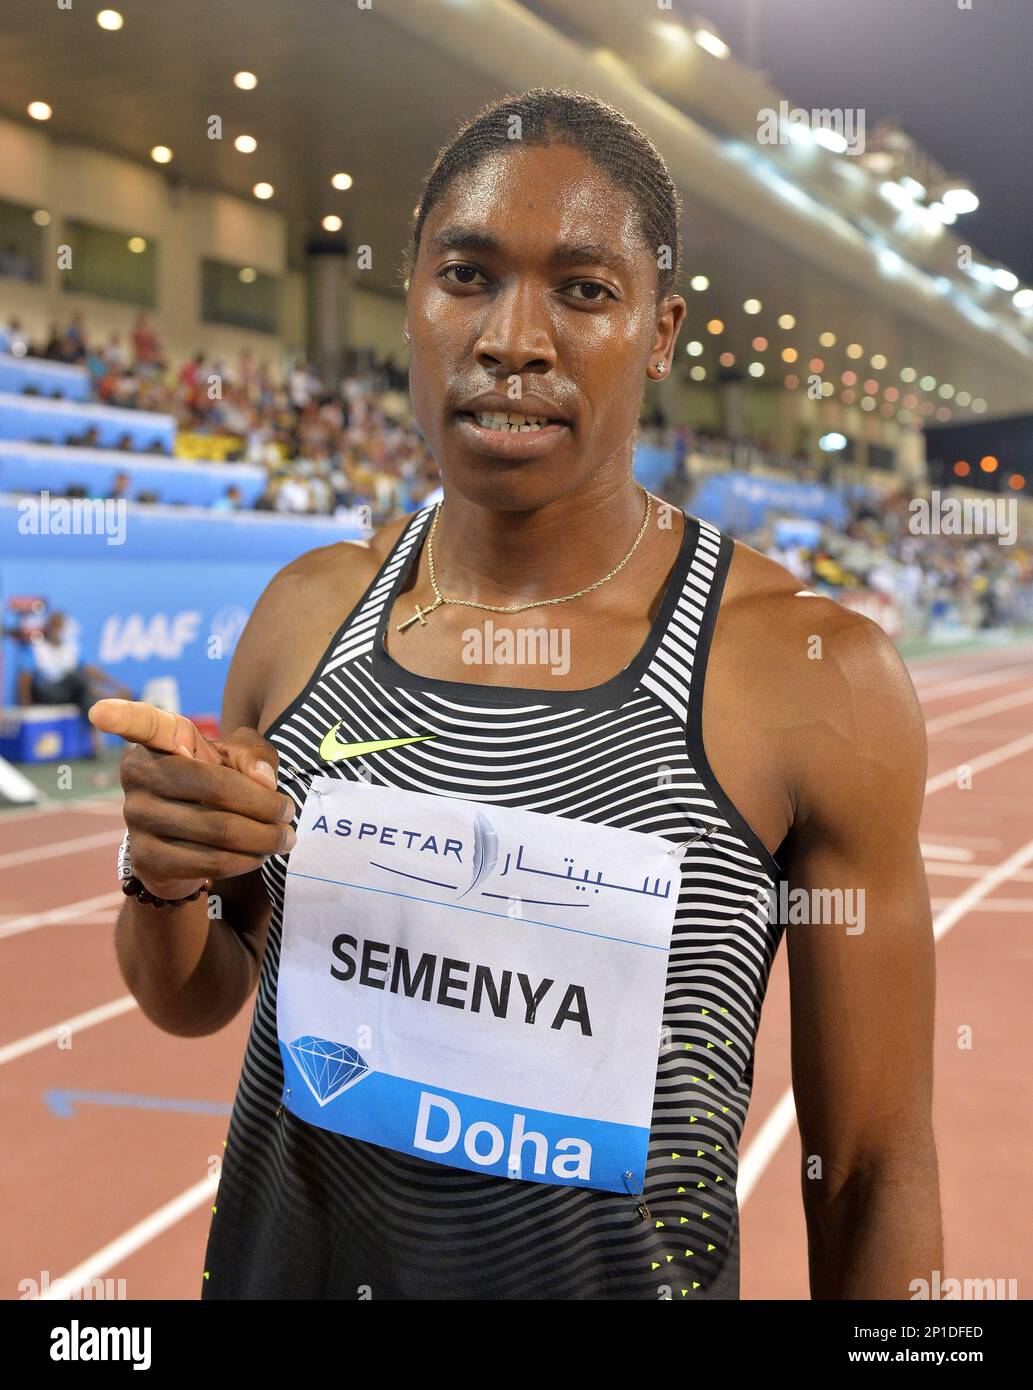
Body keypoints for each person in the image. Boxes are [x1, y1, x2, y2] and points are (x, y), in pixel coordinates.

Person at [91, 89, 940, 1301]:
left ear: (660, 330)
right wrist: (163, 875)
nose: (512, 339)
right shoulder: (306, 613)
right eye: (468, 276)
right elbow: (198, 994)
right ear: (415, 304)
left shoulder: (810, 676)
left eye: (583, 290)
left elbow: (868, 1168)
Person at [19, 612, 130, 758]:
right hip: (46, 692)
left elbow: (92, 671)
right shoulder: (37, 648)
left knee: (87, 698)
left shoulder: (73, 647)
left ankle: (96, 746)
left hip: (69, 693)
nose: (58, 630)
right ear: (49, 627)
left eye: (61, 626)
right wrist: (26, 704)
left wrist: (116, 685)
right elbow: (25, 679)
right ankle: (110, 697)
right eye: (55, 626)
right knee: (76, 676)